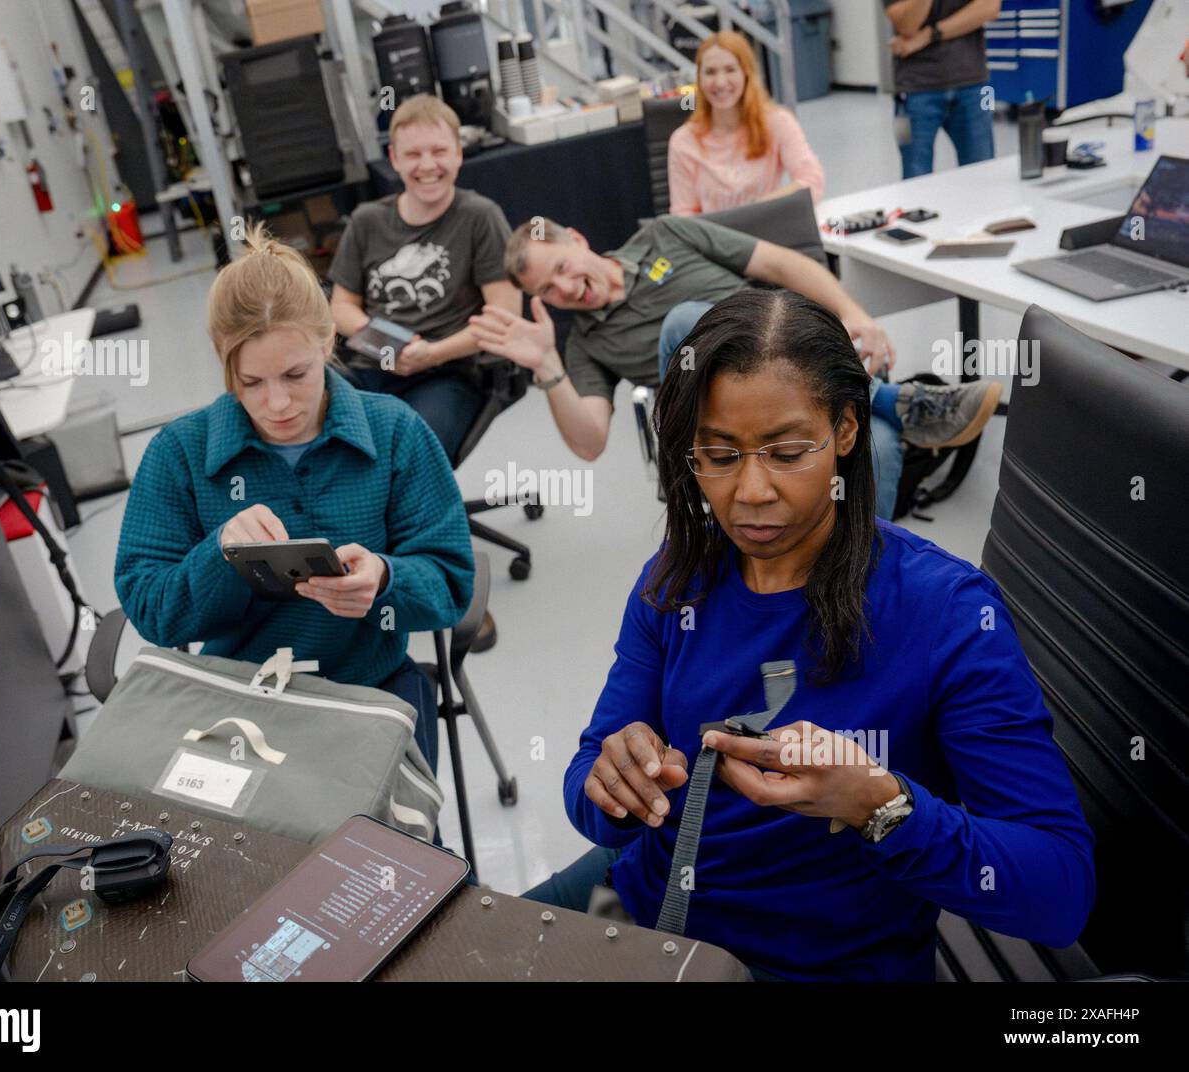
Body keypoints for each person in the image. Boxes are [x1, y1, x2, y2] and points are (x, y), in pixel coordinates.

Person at [522, 288, 1095, 981]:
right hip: (647, 903)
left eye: (787, 452)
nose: (751, 492)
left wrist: (880, 807)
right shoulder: (679, 575)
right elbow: (590, 781)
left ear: (846, 431)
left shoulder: (946, 614)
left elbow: (1059, 895)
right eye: (719, 455)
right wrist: (614, 786)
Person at [115, 223, 474, 776]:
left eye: (296, 374)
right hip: (237, 705)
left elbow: (450, 583)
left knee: (386, 857)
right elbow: (151, 612)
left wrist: (384, 579)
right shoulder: (180, 454)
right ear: (221, 359)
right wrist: (220, 555)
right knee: (237, 860)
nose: (277, 402)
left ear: (328, 342)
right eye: (251, 381)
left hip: (369, 690)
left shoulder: (396, 433)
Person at [469, 213, 1001, 521]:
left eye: (560, 268)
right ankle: (896, 400)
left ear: (577, 241)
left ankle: (862, 582)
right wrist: (546, 366)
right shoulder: (586, 345)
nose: (563, 288)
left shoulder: (663, 235)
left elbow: (779, 264)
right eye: (547, 291)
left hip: (803, 373)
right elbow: (589, 443)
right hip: (727, 422)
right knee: (686, 322)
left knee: (877, 444)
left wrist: (854, 312)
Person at [328, 94, 522, 462]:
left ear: (458, 154)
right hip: (373, 366)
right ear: (395, 161)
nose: (428, 165)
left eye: (439, 151)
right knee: (313, 424)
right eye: (414, 154)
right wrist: (385, 346)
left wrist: (430, 354)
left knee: (410, 454)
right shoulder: (367, 220)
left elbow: (504, 318)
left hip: (449, 375)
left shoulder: (480, 217)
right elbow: (341, 305)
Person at [668, 31, 825, 214]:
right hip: (716, 241)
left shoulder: (778, 122)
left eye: (730, 70)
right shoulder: (683, 141)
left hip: (767, 230)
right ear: (699, 80)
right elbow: (682, 215)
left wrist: (754, 211)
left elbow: (812, 181)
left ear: (746, 74)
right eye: (710, 72)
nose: (720, 82)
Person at [884, 0, 1002, 179]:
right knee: (914, 177)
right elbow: (906, 26)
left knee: (984, 173)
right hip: (911, 92)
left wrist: (929, 35)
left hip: (976, 86)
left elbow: (990, 8)